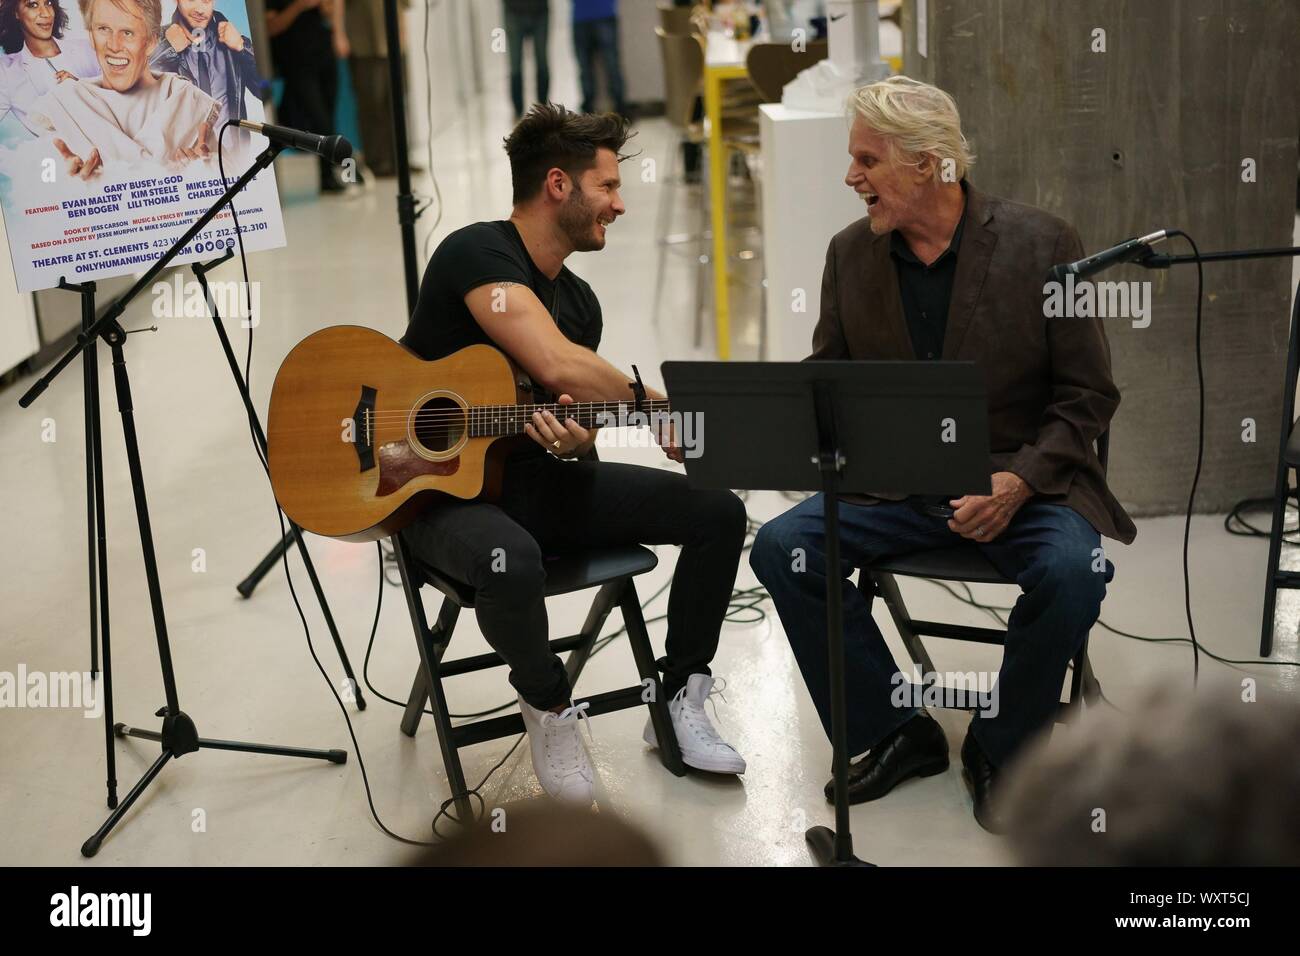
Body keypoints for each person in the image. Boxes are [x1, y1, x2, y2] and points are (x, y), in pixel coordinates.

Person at [749, 76, 1136, 833]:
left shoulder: (1043, 243)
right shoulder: (848, 256)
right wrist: (737, 417)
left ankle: (1003, 744)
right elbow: (829, 383)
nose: (850, 176)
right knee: (781, 547)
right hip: (894, 489)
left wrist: (1019, 481)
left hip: (1024, 484)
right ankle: (894, 729)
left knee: (1071, 571)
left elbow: (1088, 395)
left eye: (867, 158)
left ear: (928, 164)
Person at [398, 104, 748, 807]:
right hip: (432, 493)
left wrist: (580, 436)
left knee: (719, 512)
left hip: (528, 484)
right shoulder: (477, 255)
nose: (619, 205)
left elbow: (573, 413)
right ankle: (550, 708)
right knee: (512, 561)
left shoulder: (579, 302)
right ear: (558, 184)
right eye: (609, 187)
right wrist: (652, 405)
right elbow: (555, 363)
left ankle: (679, 700)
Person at [31, 0, 218, 177]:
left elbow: (230, 183)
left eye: (128, 32)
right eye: (103, 29)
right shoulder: (63, 106)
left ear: (152, 41)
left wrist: (203, 177)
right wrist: (66, 184)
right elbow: (46, 182)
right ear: (91, 36)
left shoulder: (190, 103)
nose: (114, 45)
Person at [264, 0, 347, 192]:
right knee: (320, 120)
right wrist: (298, 6)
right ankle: (340, 168)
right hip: (296, 60)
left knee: (328, 116)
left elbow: (332, 7)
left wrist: (338, 32)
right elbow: (270, 28)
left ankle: (327, 176)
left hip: (323, 54)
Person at [149, 0, 261, 135]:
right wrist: (166, 50)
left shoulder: (234, 42)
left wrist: (242, 48)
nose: (200, 10)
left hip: (234, 153)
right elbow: (134, 102)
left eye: (206, 0)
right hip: (184, 153)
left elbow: (265, 91)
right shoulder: (156, 44)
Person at [0, 0, 100, 136]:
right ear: (15, 12)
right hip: (59, 155)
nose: (46, 13)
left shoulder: (89, 49)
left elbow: (127, 101)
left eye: (48, 3)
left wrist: (84, 89)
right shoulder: (6, 72)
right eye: (33, 5)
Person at [572, 0, 623, 117]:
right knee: (584, 67)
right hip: (581, 16)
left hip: (604, 13)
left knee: (612, 65)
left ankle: (620, 105)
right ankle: (588, 108)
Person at [503, 0, 547, 122]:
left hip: (540, 11)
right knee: (515, 66)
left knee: (542, 62)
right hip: (513, 12)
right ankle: (518, 111)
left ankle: (544, 110)